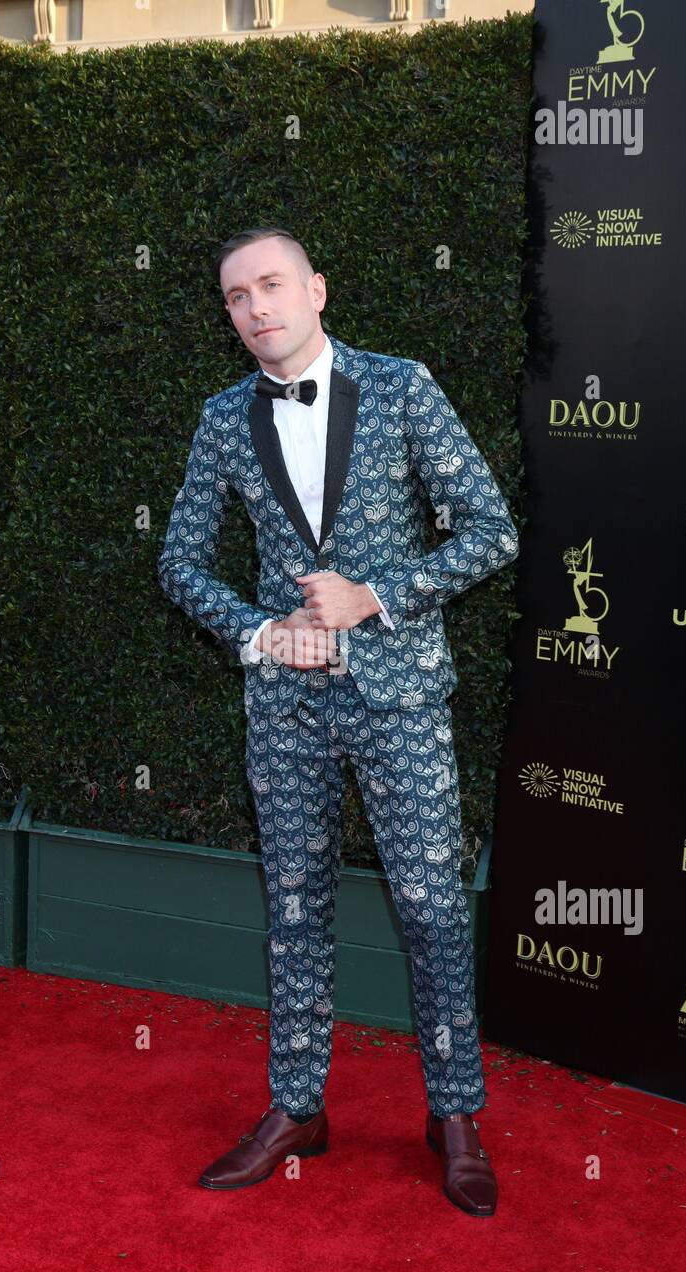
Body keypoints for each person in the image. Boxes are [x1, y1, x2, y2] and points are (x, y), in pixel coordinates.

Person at [157, 227, 519, 1216]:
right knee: (292, 912)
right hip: (284, 705)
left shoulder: (400, 386)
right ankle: (295, 1107)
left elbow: (491, 527)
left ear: (315, 289)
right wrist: (261, 631)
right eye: (235, 297)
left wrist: (375, 595)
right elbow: (179, 563)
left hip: (398, 694)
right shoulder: (223, 418)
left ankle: (452, 1117)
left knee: (431, 910)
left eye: (271, 285)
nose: (255, 307)